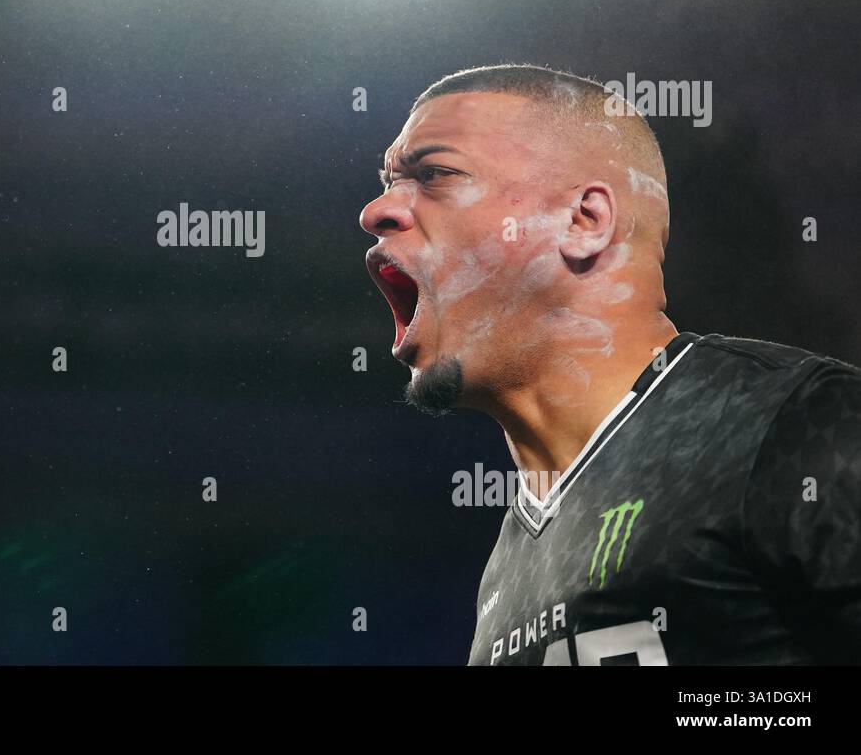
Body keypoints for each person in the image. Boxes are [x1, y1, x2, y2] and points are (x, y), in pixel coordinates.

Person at [360, 64, 861, 664]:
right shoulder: (505, 571)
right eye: (390, 181)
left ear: (584, 222)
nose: (376, 211)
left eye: (435, 174)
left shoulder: (799, 424)